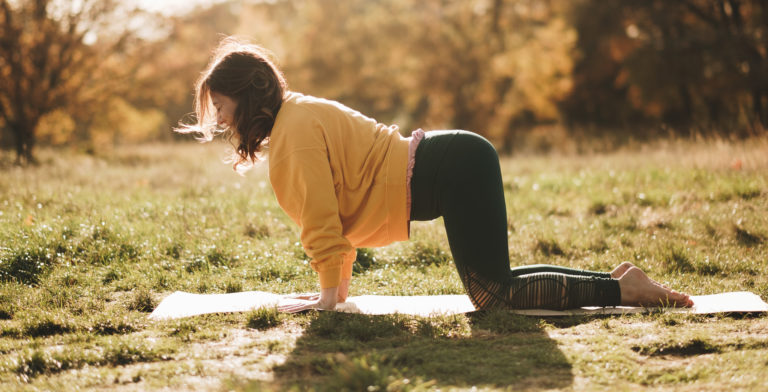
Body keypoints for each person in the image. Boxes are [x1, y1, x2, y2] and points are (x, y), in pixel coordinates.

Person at [177, 37, 693, 313]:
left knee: (495, 297)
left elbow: (320, 216)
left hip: (456, 167)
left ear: (247, 95)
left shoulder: (294, 130)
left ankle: (625, 292)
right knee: (497, 286)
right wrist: (334, 292)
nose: (220, 120)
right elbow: (329, 213)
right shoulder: (295, 118)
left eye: (221, 106)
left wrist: (330, 300)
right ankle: (620, 281)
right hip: (458, 159)